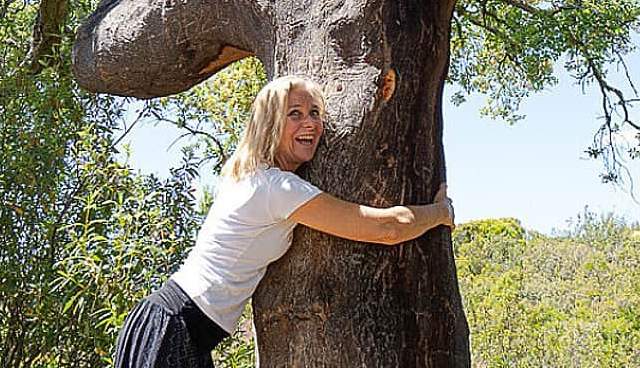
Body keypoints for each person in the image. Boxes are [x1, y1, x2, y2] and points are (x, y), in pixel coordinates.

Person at [113, 74, 455, 368]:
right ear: (270, 123)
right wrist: (440, 212)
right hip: (176, 326)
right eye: (295, 114)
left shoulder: (249, 177)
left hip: (170, 324)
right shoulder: (276, 188)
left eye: (315, 113)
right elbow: (387, 228)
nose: (310, 124)